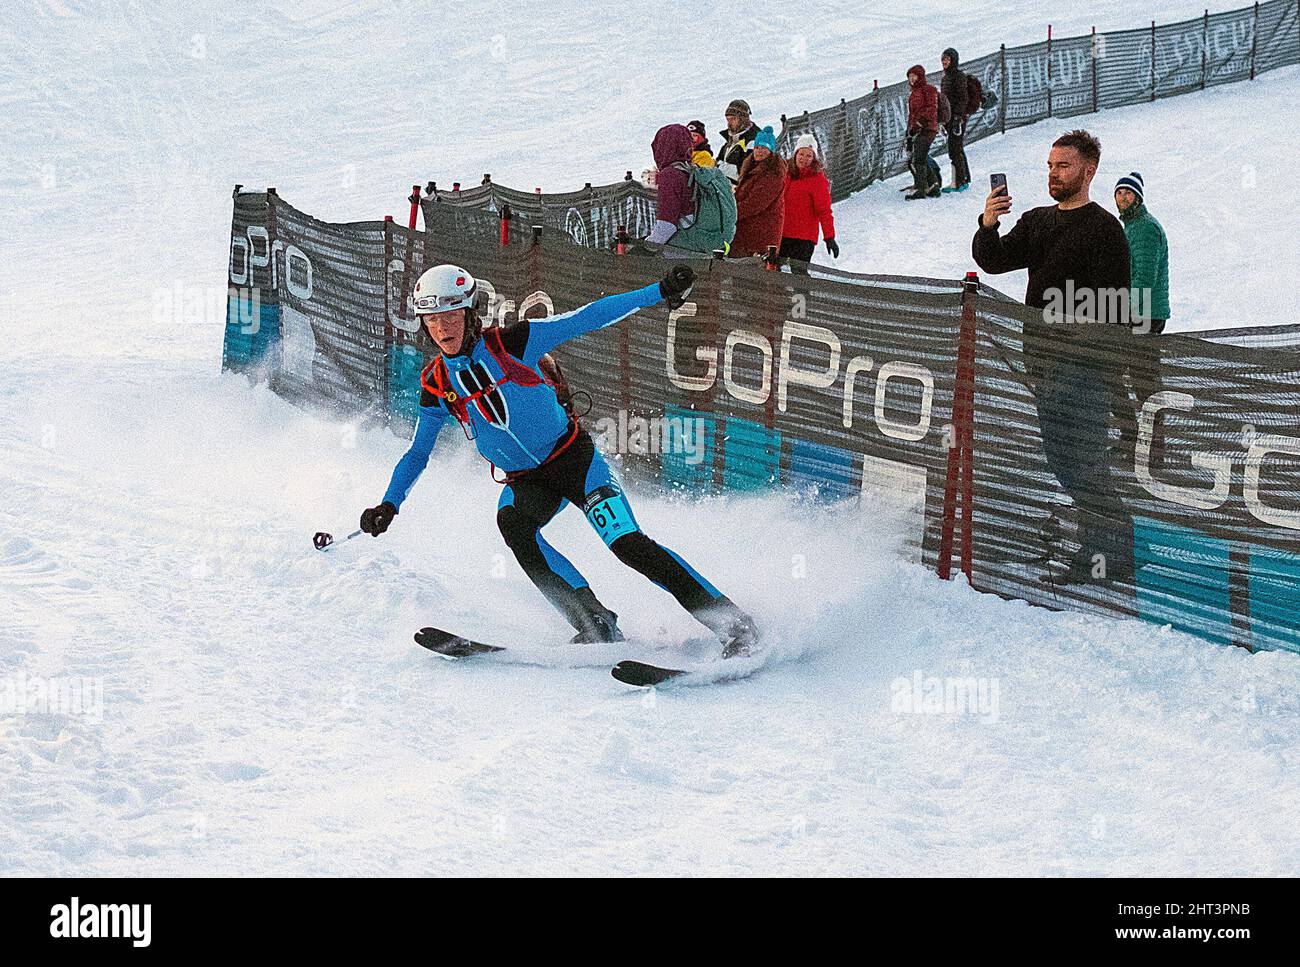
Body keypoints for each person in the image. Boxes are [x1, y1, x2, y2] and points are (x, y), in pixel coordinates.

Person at [361, 263, 758, 656]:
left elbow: (588, 316)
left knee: (627, 544)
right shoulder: (437, 382)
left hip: (574, 462)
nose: (442, 329)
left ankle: (733, 624)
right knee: (514, 524)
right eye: (431, 320)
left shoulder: (513, 343)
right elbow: (417, 453)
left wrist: (658, 292)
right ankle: (594, 624)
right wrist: (389, 503)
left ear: (470, 313)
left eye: (450, 316)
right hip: (526, 481)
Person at [972, 130, 1135, 587]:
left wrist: (1099, 370)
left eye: (1063, 166)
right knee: (1068, 464)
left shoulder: (1105, 230)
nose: (1053, 174)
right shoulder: (1039, 220)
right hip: (1044, 366)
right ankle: (1111, 549)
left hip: (1082, 372)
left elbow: (1114, 312)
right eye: (1049, 166)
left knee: (1083, 464)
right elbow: (996, 260)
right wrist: (987, 225)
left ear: (1088, 171)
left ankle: (1106, 554)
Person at [1113, 171, 1170, 462]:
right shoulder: (1131, 226)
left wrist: (1125, 312)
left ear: (1138, 198)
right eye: (1119, 193)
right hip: (1136, 312)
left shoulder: (1145, 228)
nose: (1123, 198)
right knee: (1121, 375)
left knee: (1143, 380)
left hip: (1145, 315)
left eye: (1128, 193)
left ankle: (1153, 446)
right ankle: (1133, 436)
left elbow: (1144, 279)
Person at [643, 123, 735, 256]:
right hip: (705, 244)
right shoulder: (692, 169)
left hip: (683, 250)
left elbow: (666, 226)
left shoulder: (670, 175)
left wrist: (645, 248)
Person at [780, 134, 837, 272]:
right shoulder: (785, 173)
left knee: (798, 274)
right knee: (773, 270)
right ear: (795, 154)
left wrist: (829, 237)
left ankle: (801, 295)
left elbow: (824, 211)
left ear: (814, 158)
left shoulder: (817, 180)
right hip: (782, 233)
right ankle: (778, 294)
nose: (804, 159)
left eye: (808, 156)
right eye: (801, 154)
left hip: (804, 237)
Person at [730, 126, 786, 257]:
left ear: (771, 151)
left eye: (764, 148)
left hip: (759, 240)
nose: (759, 151)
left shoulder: (773, 175)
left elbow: (754, 204)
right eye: (757, 148)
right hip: (747, 236)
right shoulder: (752, 169)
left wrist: (730, 213)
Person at [905, 65, 941, 200]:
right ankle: (933, 186)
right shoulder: (914, 92)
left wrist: (919, 123)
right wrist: (910, 129)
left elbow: (931, 109)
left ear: (921, 76)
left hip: (927, 129)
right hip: (916, 129)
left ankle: (921, 189)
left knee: (919, 159)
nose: (912, 79)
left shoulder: (928, 89)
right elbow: (912, 114)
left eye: (915, 76)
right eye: (910, 76)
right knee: (921, 157)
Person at [939, 48, 971, 193]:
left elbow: (962, 98)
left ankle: (957, 182)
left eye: (947, 59)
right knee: (957, 148)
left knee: (954, 150)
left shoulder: (958, 76)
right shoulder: (945, 78)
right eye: (943, 59)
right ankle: (964, 178)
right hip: (949, 119)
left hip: (957, 119)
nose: (945, 62)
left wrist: (958, 117)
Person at [715, 98, 761, 186]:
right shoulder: (730, 141)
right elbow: (718, 161)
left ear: (743, 119)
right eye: (728, 119)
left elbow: (745, 172)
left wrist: (720, 168)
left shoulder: (753, 140)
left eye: (733, 119)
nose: (729, 123)